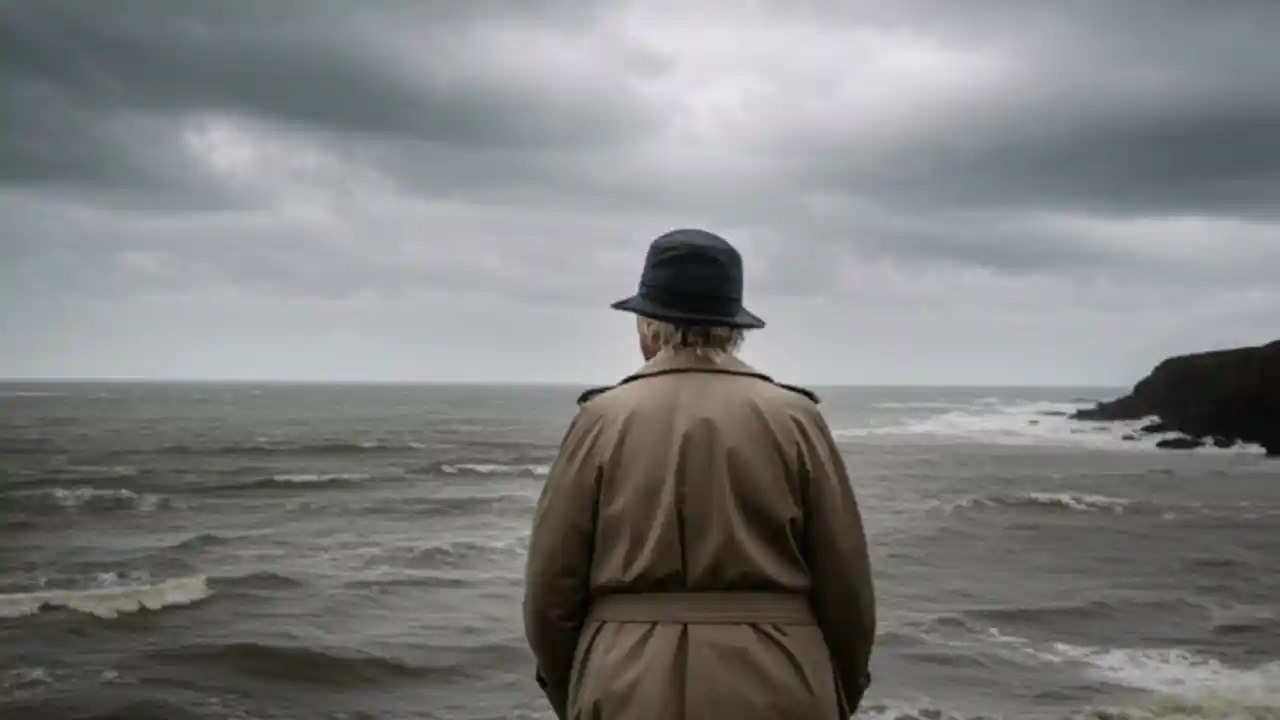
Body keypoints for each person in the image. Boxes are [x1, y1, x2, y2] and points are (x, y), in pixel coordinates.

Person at [523, 229, 876, 719]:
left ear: (649, 327)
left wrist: (579, 689)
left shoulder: (599, 419)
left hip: (625, 682)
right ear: (734, 327)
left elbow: (551, 589)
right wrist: (836, 692)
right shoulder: (797, 419)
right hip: (783, 680)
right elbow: (847, 589)